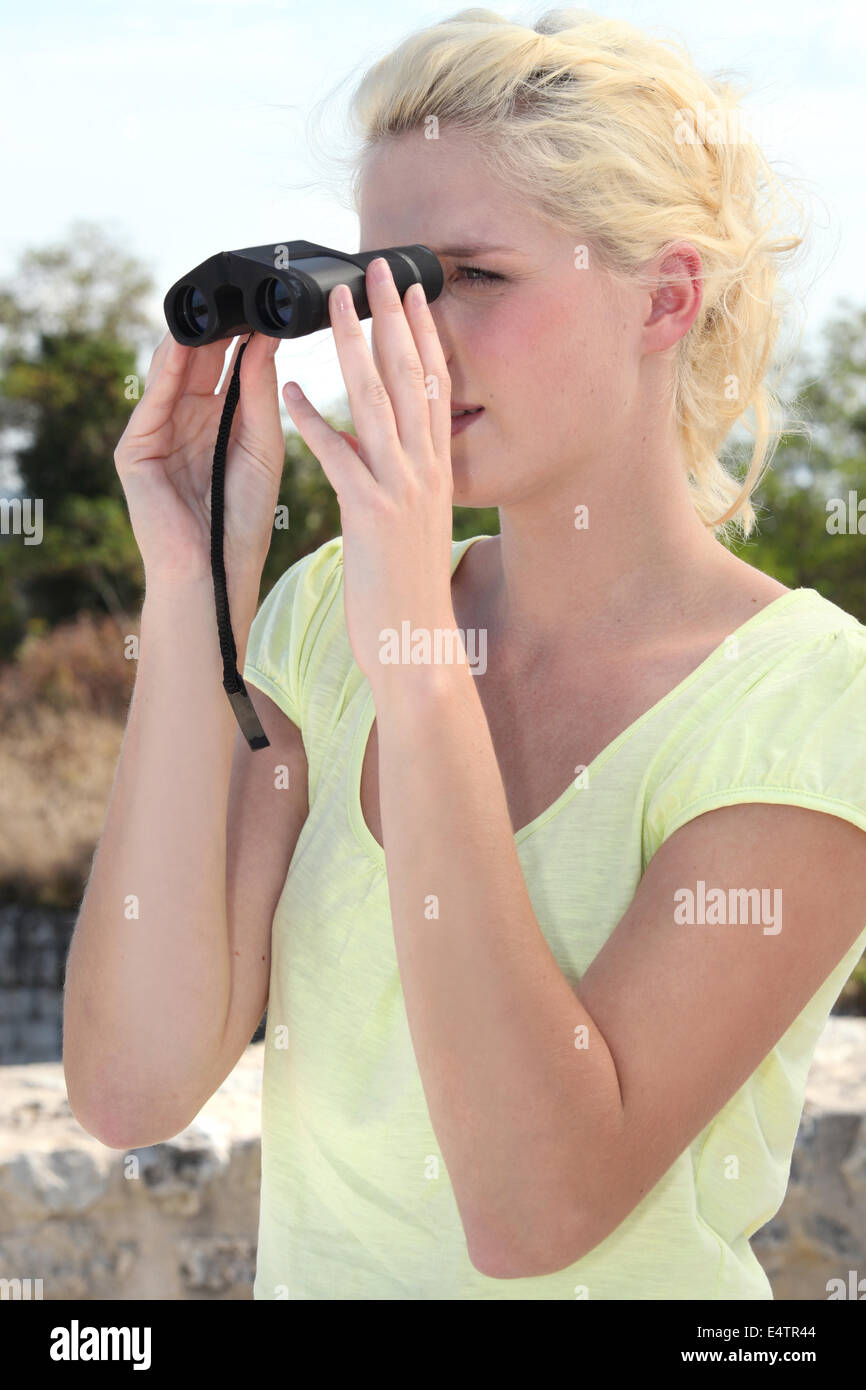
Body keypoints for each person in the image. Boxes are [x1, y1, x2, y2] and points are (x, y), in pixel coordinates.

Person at [64, 8, 866, 1299]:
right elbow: (129, 1084)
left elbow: (531, 1207)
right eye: (381, 286)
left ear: (665, 298)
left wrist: (417, 660)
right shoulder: (327, 616)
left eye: (469, 279)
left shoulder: (809, 700)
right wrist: (193, 591)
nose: (408, 340)